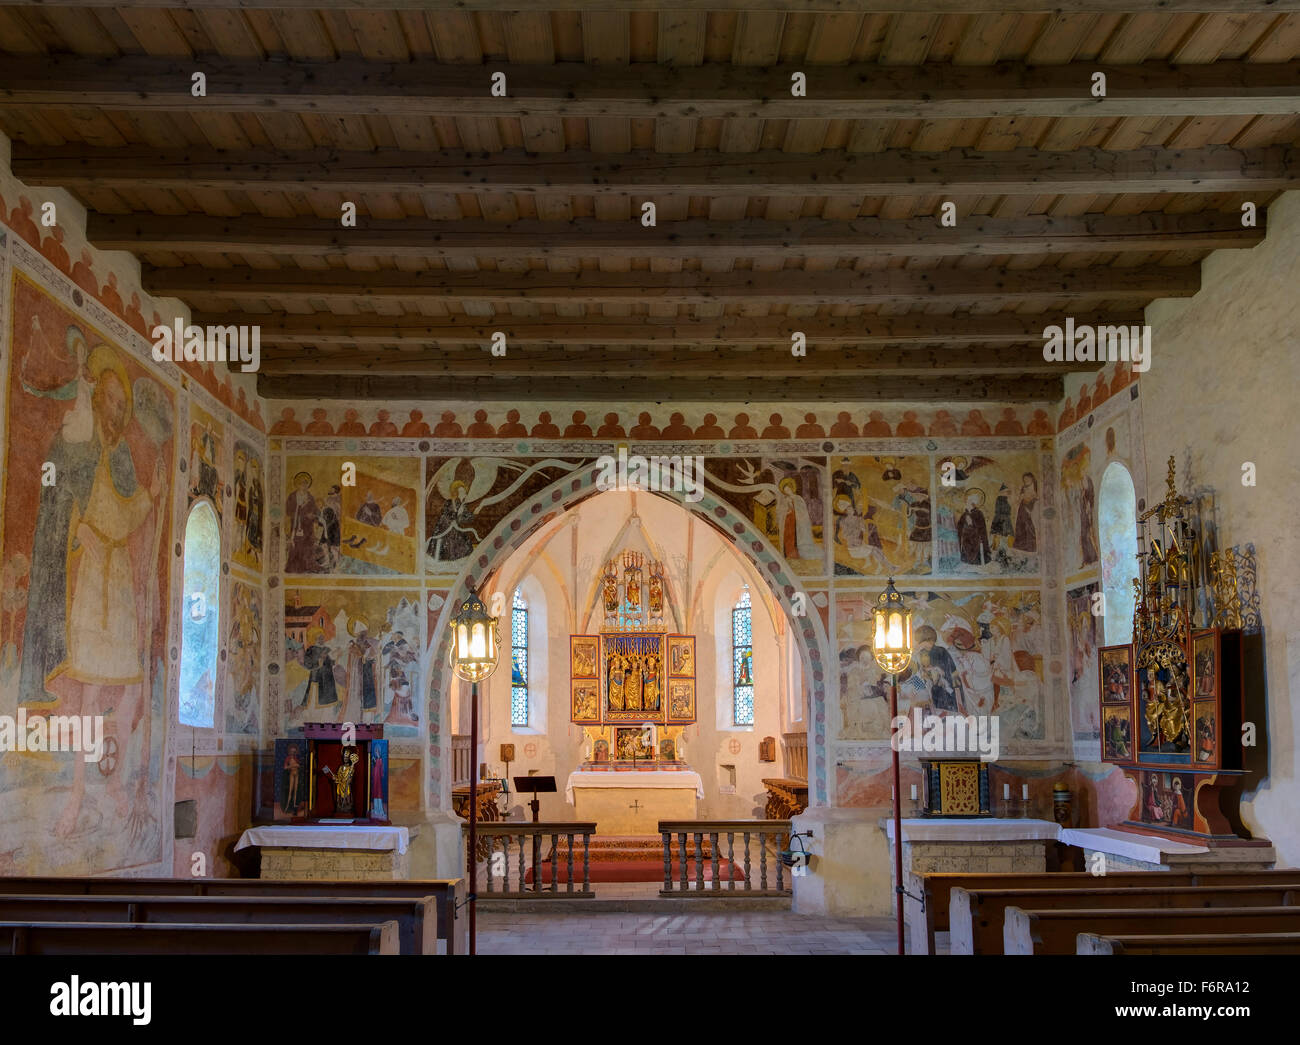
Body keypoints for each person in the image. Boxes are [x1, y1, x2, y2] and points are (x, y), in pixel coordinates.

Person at [285, 472, 319, 572]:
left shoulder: (310, 497)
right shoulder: (292, 496)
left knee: (307, 545)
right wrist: (298, 510)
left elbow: (314, 511)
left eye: (305, 483)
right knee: (295, 544)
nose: (303, 485)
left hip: (307, 526)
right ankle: (293, 568)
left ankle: (306, 566)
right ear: (297, 484)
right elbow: (288, 510)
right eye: (301, 483)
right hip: (296, 524)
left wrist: (311, 516)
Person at [957, 490, 991, 566]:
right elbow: (960, 525)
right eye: (968, 500)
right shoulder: (965, 514)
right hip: (966, 538)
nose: (967, 502)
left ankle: (976, 561)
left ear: (974, 503)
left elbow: (981, 528)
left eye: (970, 500)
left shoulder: (979, 513)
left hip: (976, 538)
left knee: (975, 550)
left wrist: (971, 523)